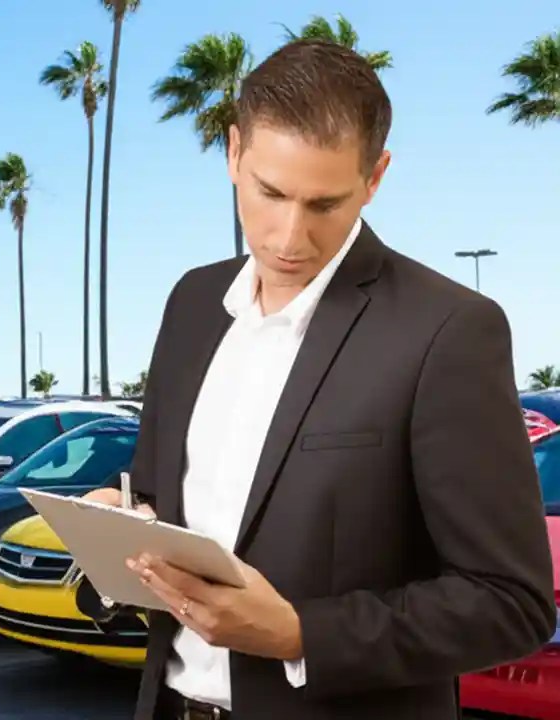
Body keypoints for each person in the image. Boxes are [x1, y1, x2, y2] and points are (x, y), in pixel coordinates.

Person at [81, 39, 555, 719]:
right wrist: (118, 529)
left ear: (376, 177)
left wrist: (300, 635)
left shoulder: (448, 331)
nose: (288, 237)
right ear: (234, 153)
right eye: (269, 193)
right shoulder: (191, 305)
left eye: (325, 205)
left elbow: (510, 602)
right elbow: (154, 497)